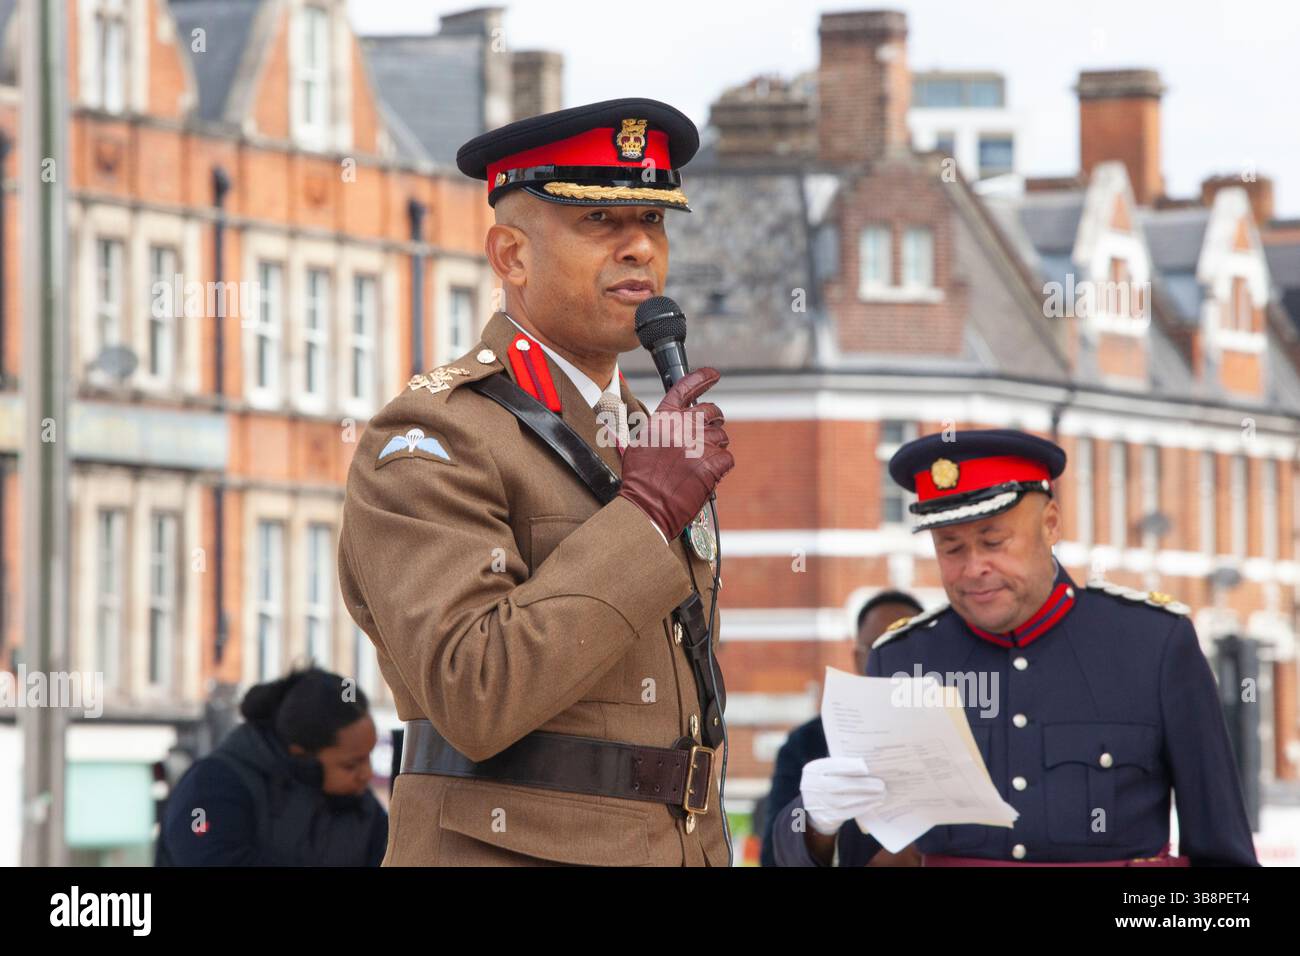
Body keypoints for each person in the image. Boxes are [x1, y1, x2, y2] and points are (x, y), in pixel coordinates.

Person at [338, 98, 736, 866]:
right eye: (599, 224)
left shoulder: (645, 436)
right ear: (510, 256)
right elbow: (473, 691)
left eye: (652, 222)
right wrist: (647, 514)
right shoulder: (435, 436)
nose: (638, 250)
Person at [771, 429, 1258, 867]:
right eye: (951, 547)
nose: (973, 567)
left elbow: (1225, 863)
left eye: (994, 541)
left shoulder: (1153, 644)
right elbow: (866, 859)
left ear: (1050, 524)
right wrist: (814, 826)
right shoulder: (903, 660)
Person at [156, 668, 386, 866]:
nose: (366, 774)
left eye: (368, 757)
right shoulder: (212, 789)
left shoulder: (365, 810)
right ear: (302, 756)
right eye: (350, 765)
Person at [758, 590, 921, 867]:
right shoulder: (808, 743)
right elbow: (775, 857)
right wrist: (818, 824)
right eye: (883, 647)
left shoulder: (965, 730)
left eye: (910, 647)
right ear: (858, 658)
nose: (897, 662)